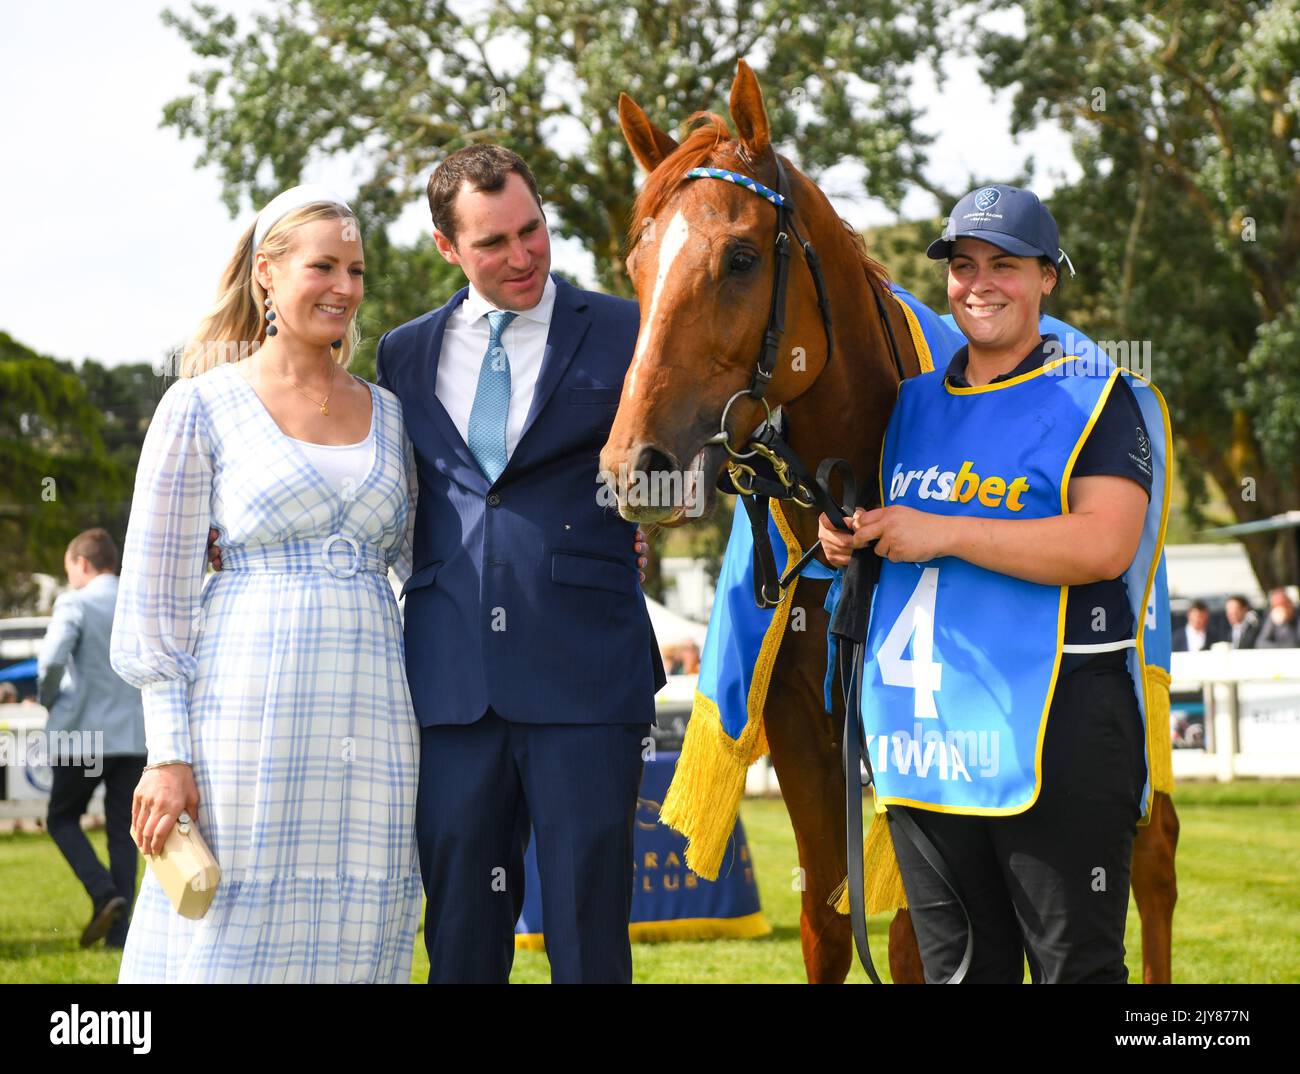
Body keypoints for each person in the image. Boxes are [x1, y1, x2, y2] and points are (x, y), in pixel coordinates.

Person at [819, 184, 1170, 984]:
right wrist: (844, 538)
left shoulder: (1099, 396)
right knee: (958, 976)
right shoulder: (904, 405)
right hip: (925, 740)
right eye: (962, 265)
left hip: (1060, 729)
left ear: (1048, 276)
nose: (978, 283)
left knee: (1073, 971)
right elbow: (879, 528)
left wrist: (941, 532)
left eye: (1004, 265)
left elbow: (1103, 545)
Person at [110, 185, 422, 983]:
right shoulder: (200, 406)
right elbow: (155, 600)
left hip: (376, 716)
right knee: (235, 927)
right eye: (323, 265)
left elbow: (422, 570)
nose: (345, 287)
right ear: (266, 276)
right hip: (244, 715)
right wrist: (169, 755)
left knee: (364, 916)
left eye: (356, 268)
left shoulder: (390, 415)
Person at [375, 145, 665, 984]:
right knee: (460, 937)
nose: (523, 255)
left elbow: (679, 466)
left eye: (531, 230)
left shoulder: (628, 327)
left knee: (587, 936)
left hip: (586, 674)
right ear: (446, 248)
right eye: (494, 243)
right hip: (450, 683)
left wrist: (651, 509)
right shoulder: (402, 353)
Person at [37, 528, 146, 949]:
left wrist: (50, 701)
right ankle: (119, 936)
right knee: (123, 831)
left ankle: (104, 893)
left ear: (81, 564)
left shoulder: (76, 601)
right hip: (134, 738)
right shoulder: (138, 601)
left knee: (63, 818)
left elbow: (49, 662)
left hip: (85, 737)